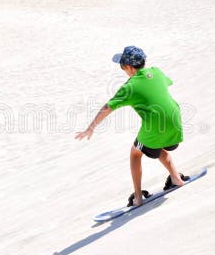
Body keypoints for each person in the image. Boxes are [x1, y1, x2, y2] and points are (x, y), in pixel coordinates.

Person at [75, 46, 186, 208]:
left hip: (155, 128)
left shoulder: (129, 86)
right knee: (155, 146)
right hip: (176, 125)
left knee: (135, 153)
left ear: (129, 67)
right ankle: (176, 178)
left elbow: (108, 107)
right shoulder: (157, 72)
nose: (123, 70)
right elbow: (165, 84)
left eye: (122, 67)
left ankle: (138, 197)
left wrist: (90, 128)